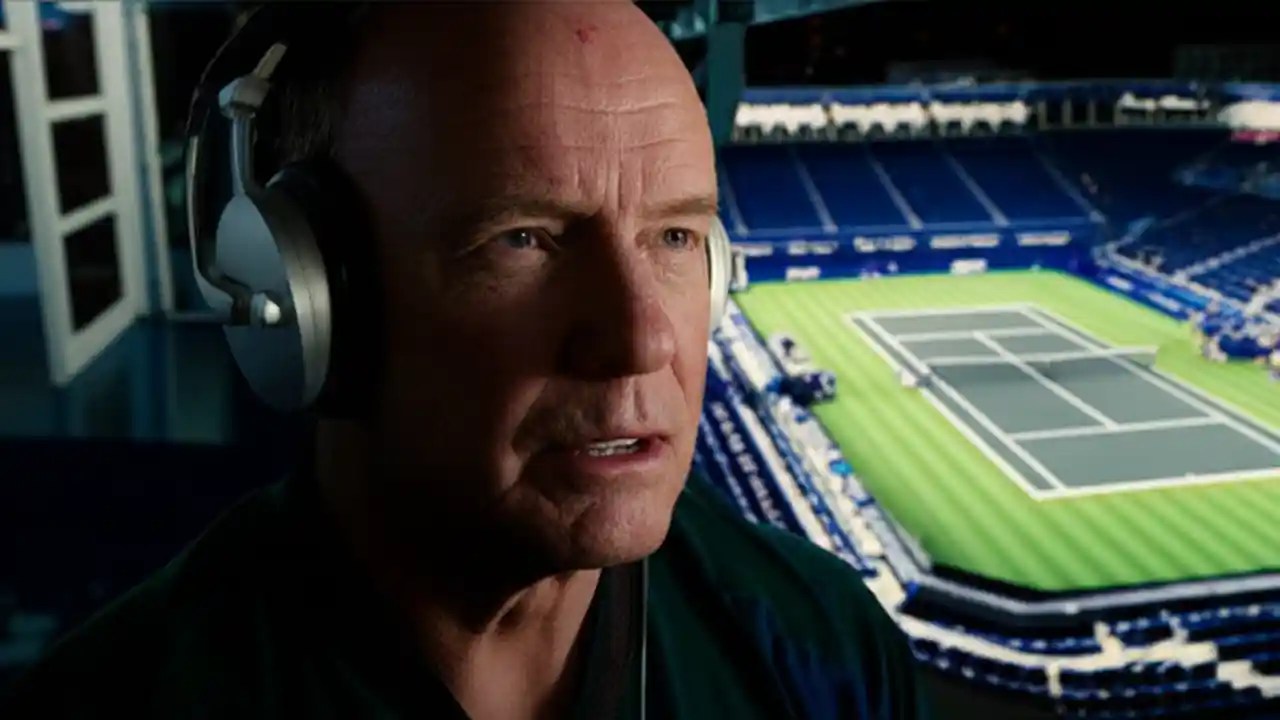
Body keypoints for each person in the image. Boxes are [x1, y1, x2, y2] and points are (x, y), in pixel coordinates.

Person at [1, 3, 932, 719]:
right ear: (303, 296)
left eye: (677, 238)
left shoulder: (822, 641)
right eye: (522, 239)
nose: (643, 340)